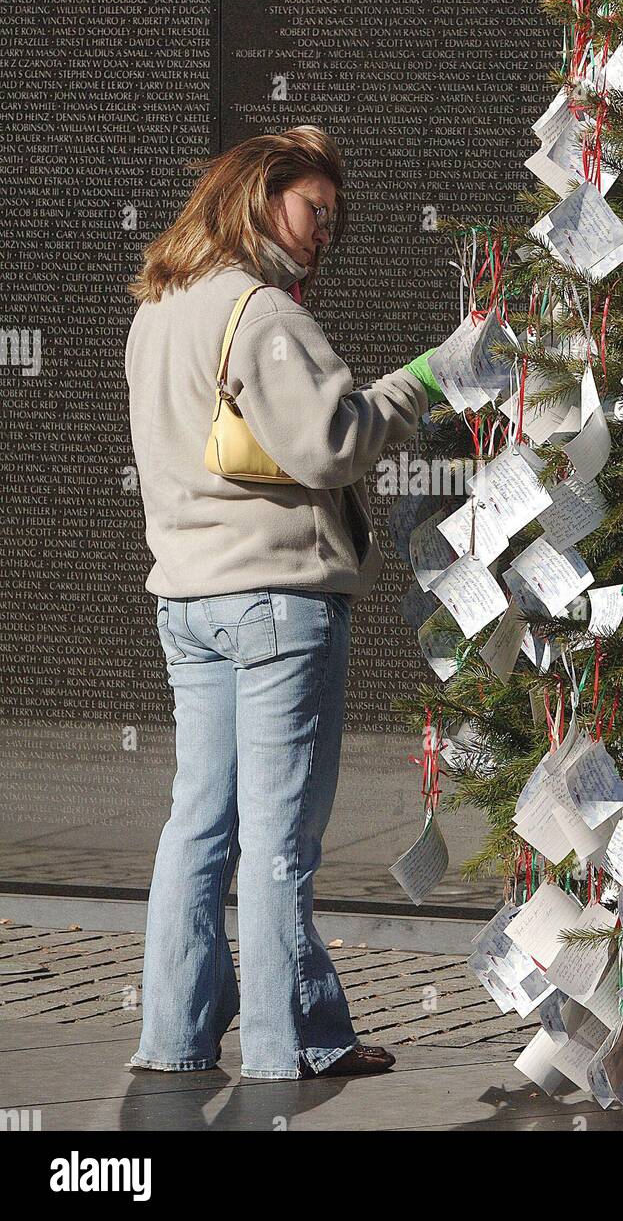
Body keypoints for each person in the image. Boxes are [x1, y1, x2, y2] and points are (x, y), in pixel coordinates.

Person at [123, 125, 445, 1081]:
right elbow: (330, 446)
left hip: (187, 598)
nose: (322, 234)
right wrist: (420, 382)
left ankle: (175, 1038)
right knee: (277, 837)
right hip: (274, 604)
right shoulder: (258, 312)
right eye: (314, 211)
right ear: (262, 198)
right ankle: (284, 1044)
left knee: (199, 823)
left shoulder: (159, 308)